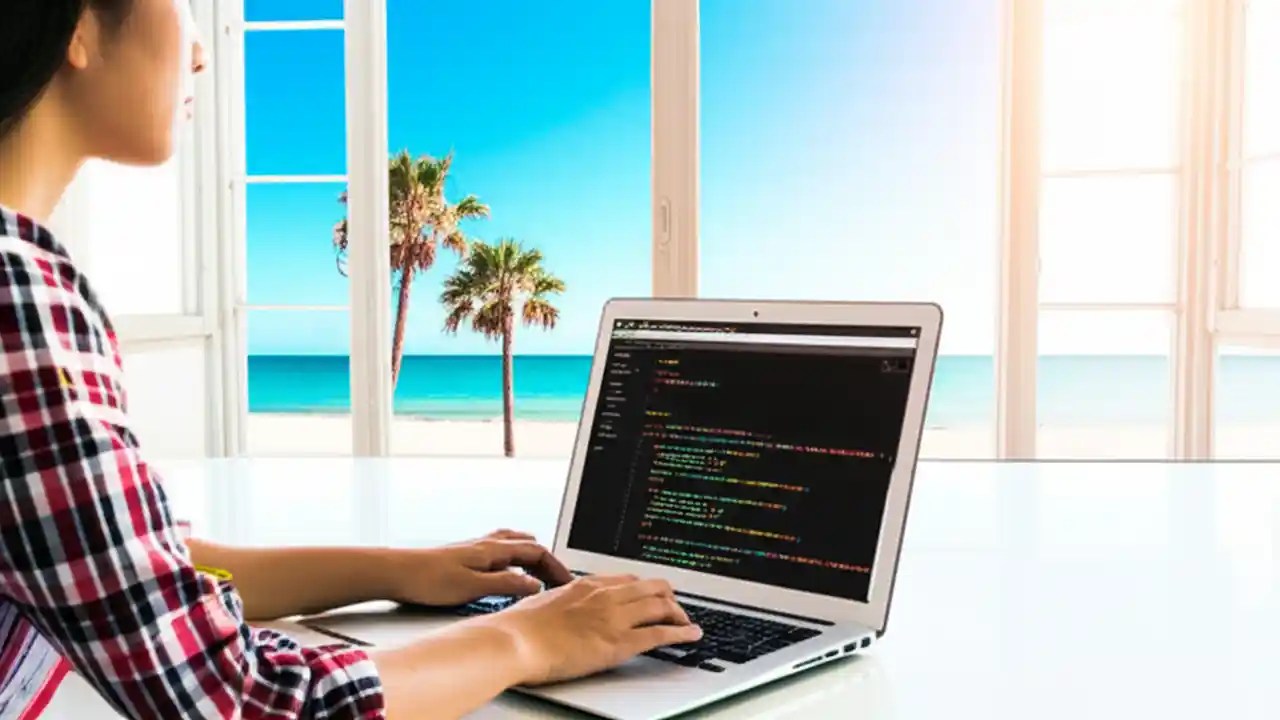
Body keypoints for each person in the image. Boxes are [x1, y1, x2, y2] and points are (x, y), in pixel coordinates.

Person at [0, 1, 702, 718]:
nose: (202, 52)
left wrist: (406, 570)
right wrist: (526, 640)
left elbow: (150, 567)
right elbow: (232, 701)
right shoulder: (16, 296)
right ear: (78, 25)